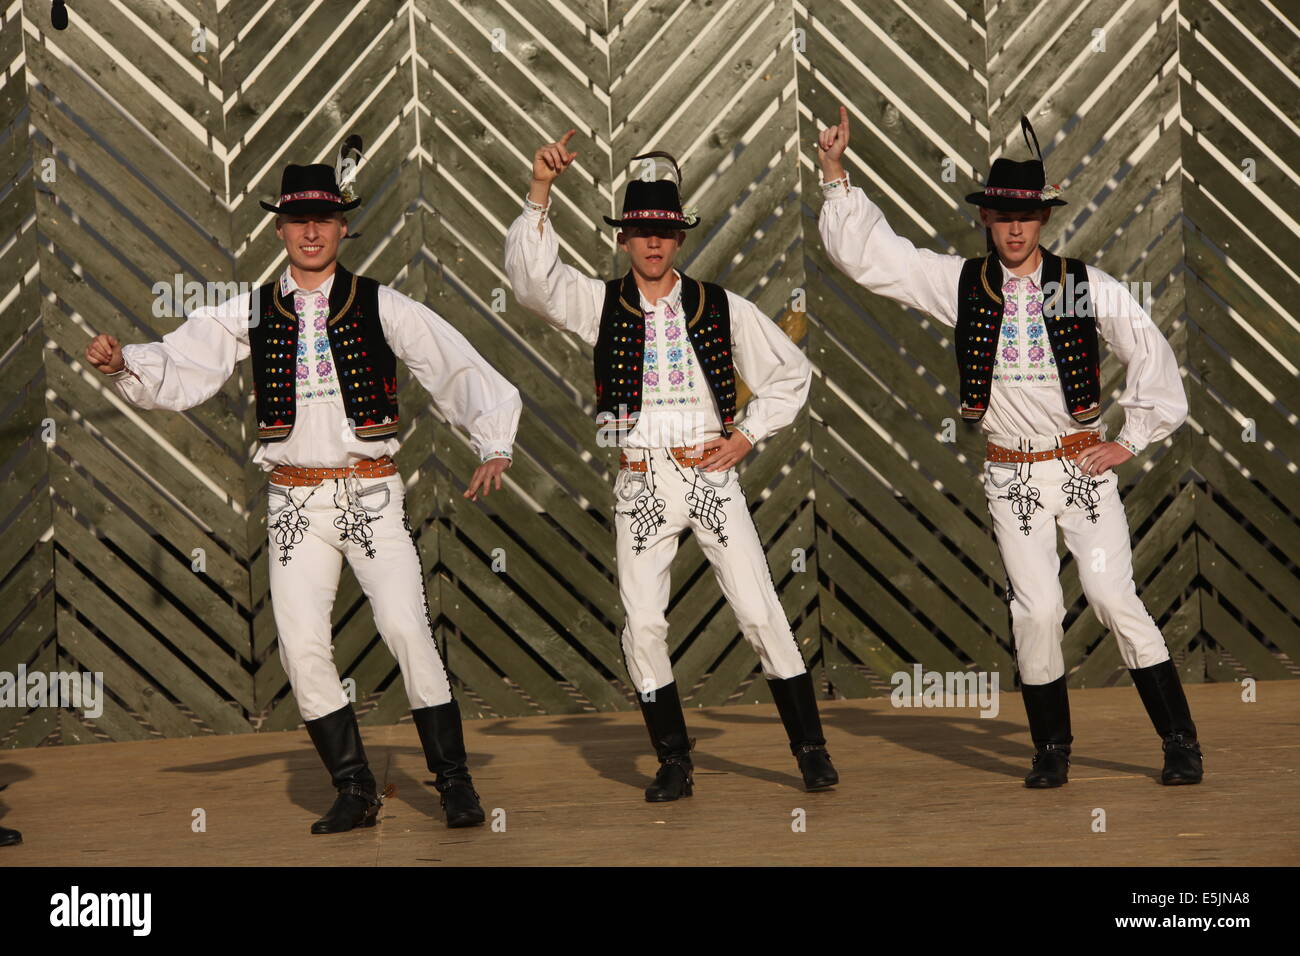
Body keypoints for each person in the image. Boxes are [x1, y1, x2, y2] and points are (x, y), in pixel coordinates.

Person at [86, 159, 522, 830]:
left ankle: (454, 781)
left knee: (407, 628)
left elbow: (453, 364)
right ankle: (355, 788)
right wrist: (126, 365)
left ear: (342, 228)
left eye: (322, 220)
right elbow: (186, 360)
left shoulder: (383, 303)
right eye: (297, 221)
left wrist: (493, 439)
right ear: (282, 229)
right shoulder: (252, 310)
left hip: (370, 492)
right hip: (294, 500)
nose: (310, 232)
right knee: (299, 646)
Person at [817, 107, 1202, 788]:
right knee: (1038, 610)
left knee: (1112, 596)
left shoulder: (1085, 287)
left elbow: (1151, 353)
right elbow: (877, 260)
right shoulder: (963, 285)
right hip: (1012, 477)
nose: (1016, 226)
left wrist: (1131, 441)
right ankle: (1051, 748)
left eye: (1026, 214)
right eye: (1002, 214)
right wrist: (836, 174)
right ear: (986, 220)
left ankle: (1180, 742)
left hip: (1080, 465)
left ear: (1044, 219)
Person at [504, 132, 837, 800]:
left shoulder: (718, 306)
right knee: (645, 621)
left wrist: (746, 436)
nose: (653, 243)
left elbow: (790, 373)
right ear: (625, 238)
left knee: (759, 609)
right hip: (642, 479)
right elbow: (533, 283)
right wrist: (540, 190)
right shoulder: (600, 305)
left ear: (678, 238)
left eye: (663, 232)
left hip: (710, 473)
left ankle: (811, 751)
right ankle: (674, 761)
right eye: (640, 231)